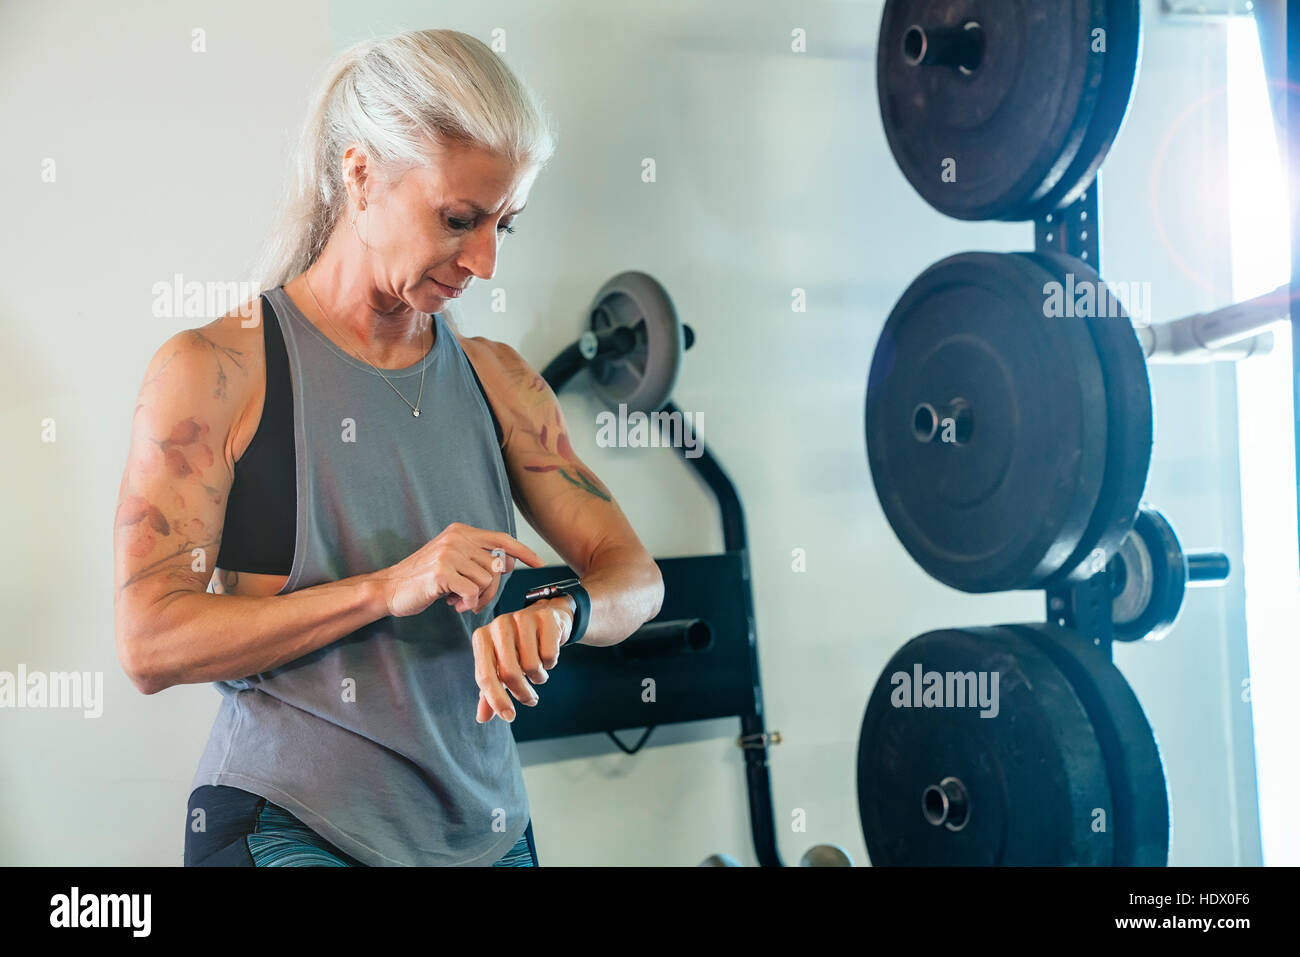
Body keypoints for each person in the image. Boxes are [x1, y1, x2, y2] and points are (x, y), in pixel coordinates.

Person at [112, 29, 664, 867]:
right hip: (294, 822)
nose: (482, 261)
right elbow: (149, 641)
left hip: (487, 831)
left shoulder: (498, 380)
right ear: (361, 174)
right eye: (458, 219)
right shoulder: (218, 370)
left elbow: (636, 578)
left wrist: (561, 608)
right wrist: (385, 587)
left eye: (504, 226)